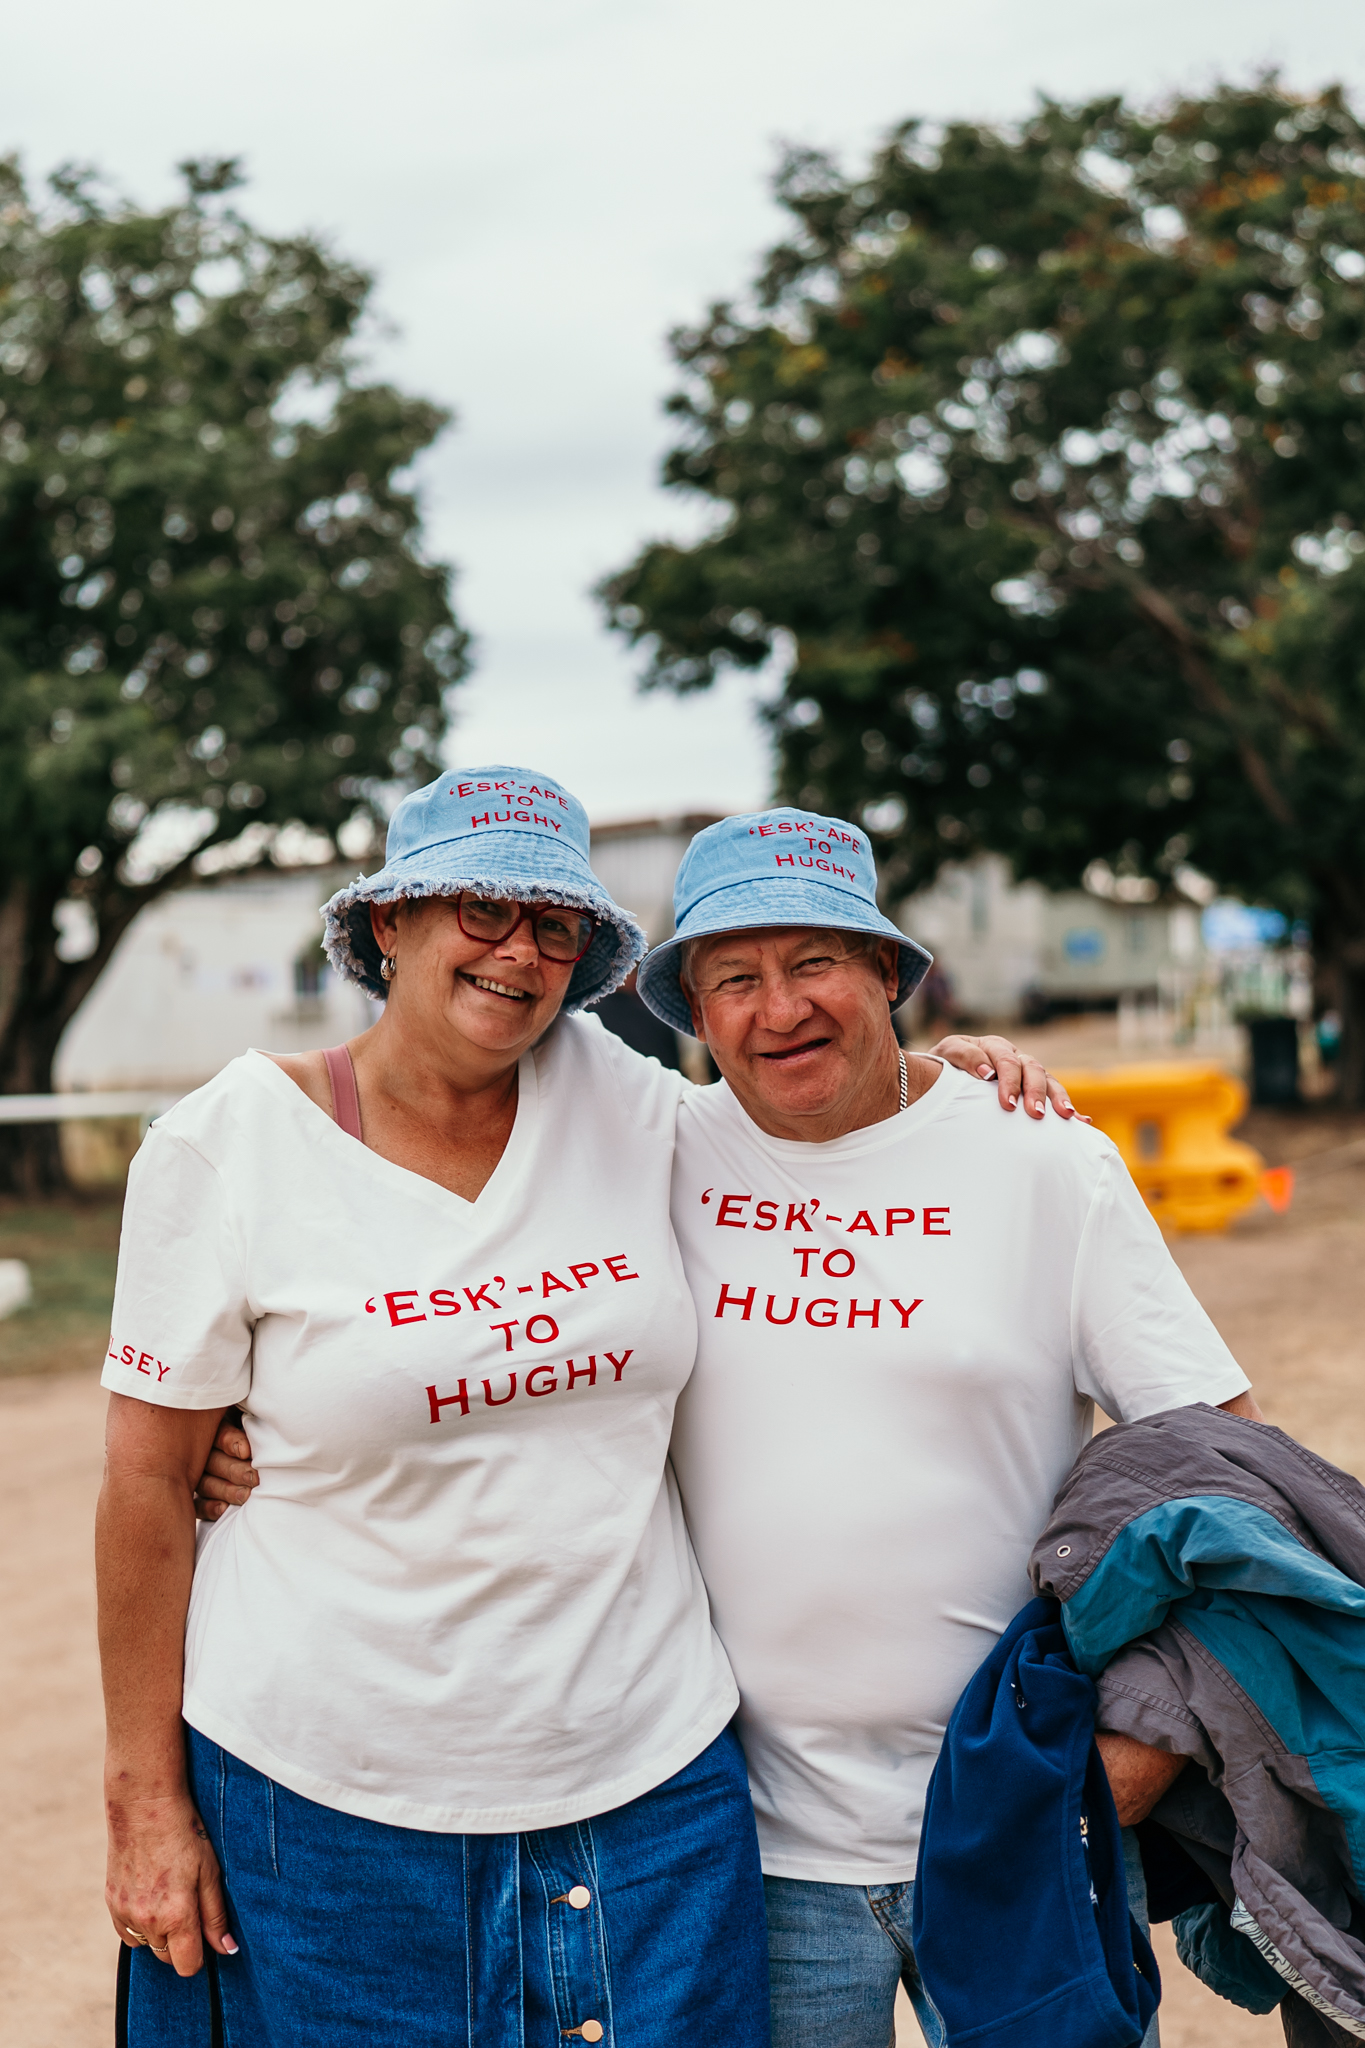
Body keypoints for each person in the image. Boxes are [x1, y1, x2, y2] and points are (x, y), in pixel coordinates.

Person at [97, 766, 769, 2047]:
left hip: (650, 1784)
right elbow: (142, 1484)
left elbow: (814, 1136)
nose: (518, 949)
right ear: (388, 926)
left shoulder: (632, 1102)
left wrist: (945, 1077)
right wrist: (145, 1803)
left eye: (554, 923)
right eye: (481, 907)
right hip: (329, 1809)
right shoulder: (226, 1145)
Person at [628, 808, 1261, 2048]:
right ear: (695, 1014)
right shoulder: (644, 1151)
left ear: (888, 974)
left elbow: (1222, 1478)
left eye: (816, 962)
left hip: (1017, 1821)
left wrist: (1137, 1747)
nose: (779, 1008)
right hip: (753, 1849)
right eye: (735, 979)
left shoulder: (1041, 1161)